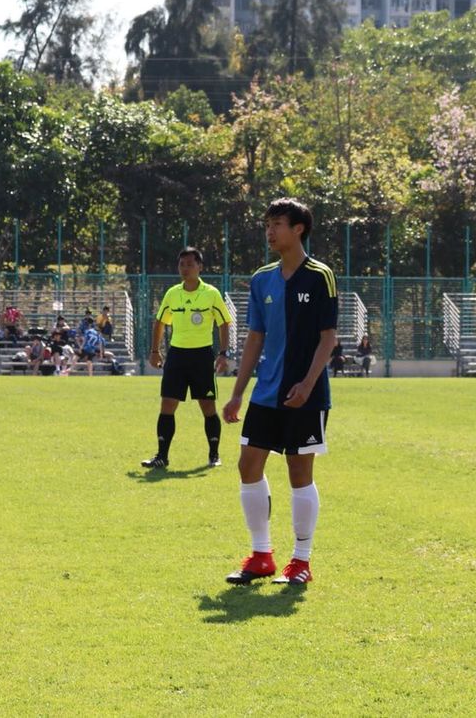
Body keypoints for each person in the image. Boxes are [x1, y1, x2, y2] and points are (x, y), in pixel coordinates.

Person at [222, 198, 338, 586]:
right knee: (248, 465)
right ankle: (261, 555)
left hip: (307, 394)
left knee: (298, 470)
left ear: (298, 228)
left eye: (277, 225)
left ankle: (301, 561)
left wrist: (306, 384)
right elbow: (256, 337)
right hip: (266, 393)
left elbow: (329, 338)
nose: (270, 232)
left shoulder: (320, 275)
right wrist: (238, 391)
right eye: (267, 225)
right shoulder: (261, 279)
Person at [143, 246, 231, 470]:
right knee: (167, 404)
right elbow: (160, 322)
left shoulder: (211, 293)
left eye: (190, 264)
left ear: (200, 267)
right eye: (182, 264)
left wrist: (222, 353)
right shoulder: (173, 293)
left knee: (207, 406)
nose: (185, 269)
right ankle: (161, 456)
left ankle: (214, 454)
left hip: (202, 356)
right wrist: (155, 351)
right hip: (177, 356)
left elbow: (223, 324)